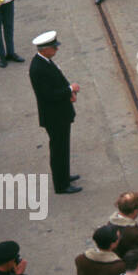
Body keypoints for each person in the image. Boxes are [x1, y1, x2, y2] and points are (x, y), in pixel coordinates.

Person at [29, 31, 80, 195]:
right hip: (55, 117)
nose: (56, 50)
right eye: (53, 48)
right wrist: (70, 89)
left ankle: (64, 176)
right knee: (59, 150)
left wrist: (69, 93)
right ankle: (61, 185)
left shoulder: (46, 62)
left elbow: (59, 80)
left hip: (60, 114)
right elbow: (48, 95)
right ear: (44, 49)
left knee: (63, 148)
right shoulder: (38, 68)